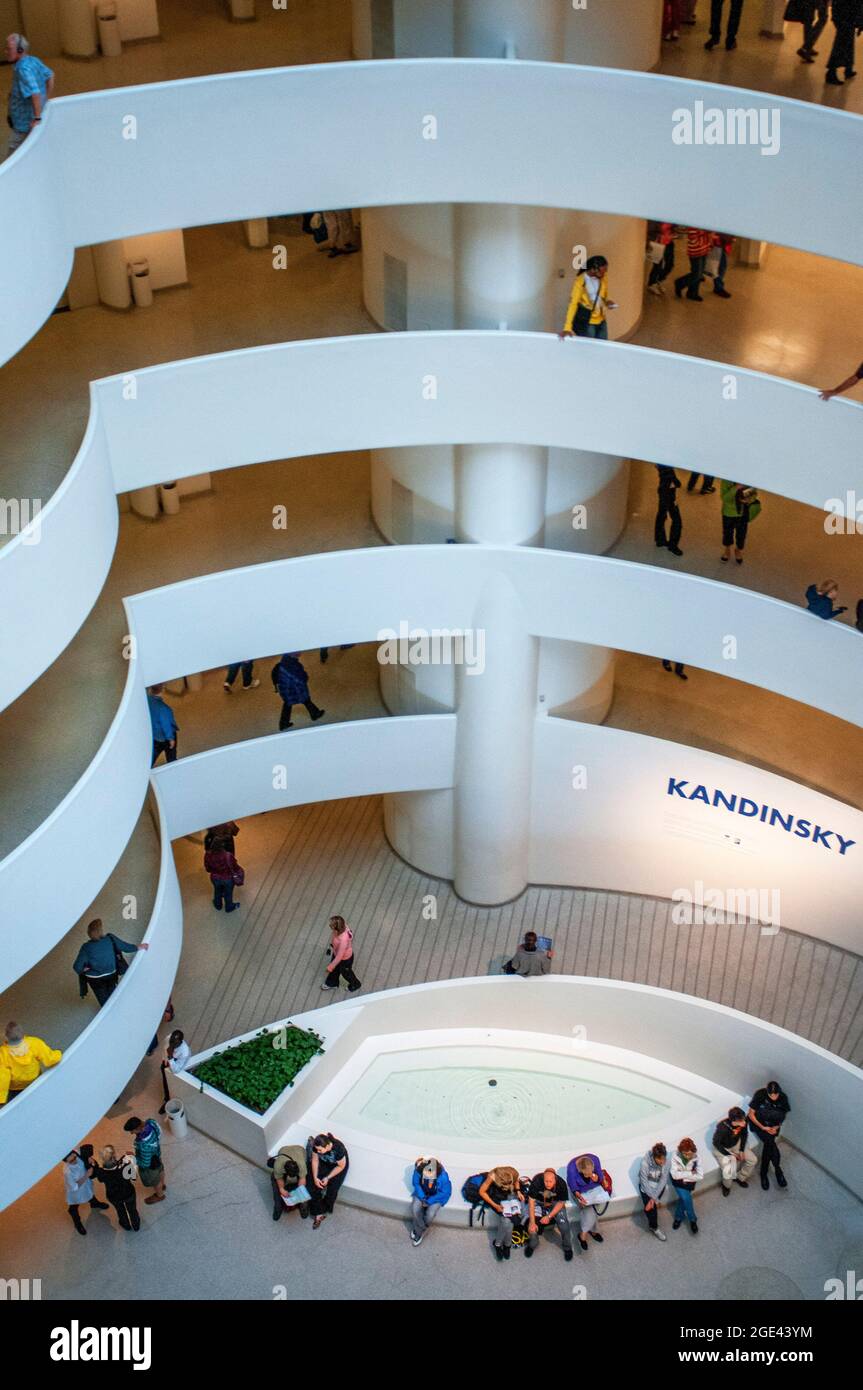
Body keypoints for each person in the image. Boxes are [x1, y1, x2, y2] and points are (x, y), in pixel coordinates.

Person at [72, 918, 150, 1008]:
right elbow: (126, 947)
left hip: (95, 979)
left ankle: (107, 1012)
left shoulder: (86, 947)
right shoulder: (110, 938)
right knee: (113, 994)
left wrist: (85, 969)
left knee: (103, 1000)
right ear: (100, 930)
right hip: (111, 974)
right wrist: (139, 947)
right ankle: (116, 1008)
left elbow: (77, 967)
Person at [4, 33, 53, 158]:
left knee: (12, 157)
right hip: (24, 120)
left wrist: (36, 118)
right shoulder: (33, 60)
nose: (6, 51)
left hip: (23, 124)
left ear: (20, 50)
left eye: (9, 49)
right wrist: (45, 100)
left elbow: (34, 92)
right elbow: (50, 75)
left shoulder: (23, 70)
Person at [0, 1021, 61, 1104]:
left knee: (18, 1104)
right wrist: (58, 1054)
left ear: (5, 1037)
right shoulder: (34, 1043)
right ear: (23, 1033)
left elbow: (3, 1076)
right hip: (35, 1078)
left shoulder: (3, 1053)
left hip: (16, 1087)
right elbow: (49, 1059)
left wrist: (1, 1097)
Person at [561, 254, 617, 339]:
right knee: (589, 348)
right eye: (603, 271)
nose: (605, 273)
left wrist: (607, 301)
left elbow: (602, 295)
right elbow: (573, 304)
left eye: (606, 270)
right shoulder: (580, 281)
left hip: (601, 319)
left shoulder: (603, 278)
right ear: (593, 269)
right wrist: (567, 327)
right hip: (588, 321)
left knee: (603, 346)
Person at [747, 1079, 791, 1190]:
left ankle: (764, 1174)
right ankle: (778, 1170)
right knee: (770, 1142)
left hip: (773, 1126)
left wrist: (776, 1127)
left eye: (775, 1095)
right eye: (771, 1095)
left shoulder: (783, 1098)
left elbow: (783, 1115)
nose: (773, 1097)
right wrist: (763, 1128)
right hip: (759, 1125)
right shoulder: (760, 1095)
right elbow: (751, 1114)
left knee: (768, 1145)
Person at [525, 1167, 573, 1262]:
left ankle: (567, 1248)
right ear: (543, 1178)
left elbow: (561, 1203)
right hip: (539, 1202)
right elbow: (531, 1202)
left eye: (550, 1181)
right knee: (531, 1228)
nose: (548, 1184)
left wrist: (549, 1216)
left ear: (555, 1179)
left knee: (564, 1226)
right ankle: (533, 1244)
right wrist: (532, 1222)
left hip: (555, 1203)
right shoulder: (537, 1182)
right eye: (546, 1181)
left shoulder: (561, 1184)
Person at [90, 1145, 141, 1231]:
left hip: (113, 1196)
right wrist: (132, 1159)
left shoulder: (101, 1172)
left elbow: (100, 1179)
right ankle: (136, 1225)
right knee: (132, 1209)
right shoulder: (125, 1165)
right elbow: (133, 1177)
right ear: (114, 1156)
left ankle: (125, 1224)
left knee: (120, 1210)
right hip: (128, 1192)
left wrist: (94, 1165)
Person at [479, 1166, 524, 1261]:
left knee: (509, 1221)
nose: (506, 1188)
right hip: (497, 1197)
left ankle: (498, 1244)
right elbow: (482, 1191)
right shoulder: (492, 1175)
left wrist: (518, 1191)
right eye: (504, 1186)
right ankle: (506, 1245)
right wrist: (495, 1205)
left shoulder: (513, 1172)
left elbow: (516, 1181)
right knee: (507, 1221)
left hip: (510, 1195)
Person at [273, 652, 325, 730]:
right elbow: (300, 679)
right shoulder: (291, 666)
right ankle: (315, 714)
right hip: (293, 690)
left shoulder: (285, 660)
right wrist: (305, 676)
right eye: (298, 652)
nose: (300, 653)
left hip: (285, 689)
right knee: (306, 700)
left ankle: (283, 724)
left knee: (288, 704)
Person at [63, 1149, 109, 1235]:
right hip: (76, 1192)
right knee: (74, 1206)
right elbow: (74, 1187)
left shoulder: (77, 1156)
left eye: (75, 1157)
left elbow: (84, 1157)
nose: (75, 1160)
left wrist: (90, 1159)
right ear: (66, 1161)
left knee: (89, 1193)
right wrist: (87, 1175)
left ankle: (94, 1203)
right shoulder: (68, 1172)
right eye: (72, 1160)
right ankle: (77, 1223)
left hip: (86, 1184)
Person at [712, 1106, 757, 1195]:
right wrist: (730, 1155)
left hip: (736, 1144)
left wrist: (741, 1150)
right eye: (741, 1121)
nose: (744, 1123)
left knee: (753, 1160)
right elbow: (716, 1143)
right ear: (734, 1121)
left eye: (744, 1120)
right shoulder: (722, 1128)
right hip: (723, 1148)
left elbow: (744, 1134)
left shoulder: (743, 1121)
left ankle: (740, 1177)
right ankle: (726, 1186)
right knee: (728, 1170)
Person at [308, 1133, 349, 1228]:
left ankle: (325, 1207)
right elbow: (315, 1161)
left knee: (333, 1190)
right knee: (312, 1185)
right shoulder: (316, 1147)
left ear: (327, 1146)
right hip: (325, 1161)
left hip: (338, 1165)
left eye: (320, 1150)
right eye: (316, 1149)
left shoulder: (339, 1149)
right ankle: (318, 1213)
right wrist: (315, 1178)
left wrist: (327, 1177)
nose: (317, 1151)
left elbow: (341, 1166)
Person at [566, 1154, 607, 1249]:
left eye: (590, 1173)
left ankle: (588, 1232)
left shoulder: (595, 1159)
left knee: (592, 1210)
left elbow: (600, 1177)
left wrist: (596, 1177)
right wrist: (579, 1197)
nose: (588, 1176)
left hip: (594, 1189)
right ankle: (584, 1234)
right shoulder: (572, 1168)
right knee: (589, 1211)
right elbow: (573, 1187)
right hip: (580, 1192)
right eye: (585, 1174)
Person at [123, 1116, 166, 1204]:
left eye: (132, 1130)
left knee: (155, 1181)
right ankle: (163, 1185)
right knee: (161, 1169)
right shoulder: (151, 1122)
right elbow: (159, 1133)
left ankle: (160, 1195)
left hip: (151, 1164)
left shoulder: (143, 1145)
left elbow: (145, 1163)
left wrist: (133, 1157)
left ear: (138, 1128)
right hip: (157, 1154)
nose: (131, 1133)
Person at [410, 1157, 452, 1246]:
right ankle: (420, 1231)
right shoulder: (418, 1170)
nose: (428, 1176)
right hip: (422, 1193)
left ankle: (418, 1230)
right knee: (414, 1209)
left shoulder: (443, 1176)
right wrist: (423, 1197)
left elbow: (445, 1192)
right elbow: (416, 1183)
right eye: (426, 1174)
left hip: (437, 1196)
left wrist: (429, 1201)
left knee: (430, 1214)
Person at [720, 481, 759, 564]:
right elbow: (725, 498)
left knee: (742, 534)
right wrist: (736, 488)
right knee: (727, 533)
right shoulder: (726, 480)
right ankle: (727, 549)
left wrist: (749, 500)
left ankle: (738, 550)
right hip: (729, 513)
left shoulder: (748, 478)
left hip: (743, 513)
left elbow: (754, 493)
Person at [269, 1144, 310, 1221]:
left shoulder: (301, 1164)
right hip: (284, 1150)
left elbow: (302, 1178)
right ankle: (278, 1208)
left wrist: (299, 1192)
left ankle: (304, 1207)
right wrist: (281, 1189)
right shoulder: (278, 1165)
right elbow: (279, 1178)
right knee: (275, 1186)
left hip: (299, 1150)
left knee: (304, 1188)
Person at [639, 1142, 670, 1240]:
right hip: (646, 1188)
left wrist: (652, 1200)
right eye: (659, 1159)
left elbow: (663, 1181)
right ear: (654, 1157)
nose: (662, 1161)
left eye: (664, 1158)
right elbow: (644, 1182)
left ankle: (652, 1224)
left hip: (658, 1187)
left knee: (651, 1207)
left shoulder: (666, 1162)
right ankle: (654, 1228)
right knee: (652, 1211)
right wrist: (654, 1199)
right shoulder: (645, 1163)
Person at [321, 915, 361, 992]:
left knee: (346, 973)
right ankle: (332, 983)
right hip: (336, 953)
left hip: (345, 959)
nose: (330, 926)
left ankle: (355, 984)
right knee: (335, 970)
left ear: (337, 928)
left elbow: (339, 956)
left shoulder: (343, 940)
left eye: (331, 925)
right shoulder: (342, 927)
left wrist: (330, 966)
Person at [670, 1138, 703, 1232]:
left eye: (689, 1154)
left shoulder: (697, 1158)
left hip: (688, 1181)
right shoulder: (675, 1156)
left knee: (683, 1199)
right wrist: (690, 1173)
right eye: (684, 1153)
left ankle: (678, 1217)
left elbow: (700, 1175)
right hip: (678, 1181)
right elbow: (674, 1175)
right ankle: (693, 1220)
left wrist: (684, 1176)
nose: (687, 1156)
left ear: (693, 1151)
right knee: (685, 1198)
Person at [204, 835, 242, 914]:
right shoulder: (228, 856)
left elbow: (207, 869)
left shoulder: (207, 855)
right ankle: (229, 907)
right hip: (227, 879)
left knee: (217, 891)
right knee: (228, 893)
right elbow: (234, 867)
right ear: (223, 845)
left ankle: (218, 905)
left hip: (215, 878)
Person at [825, 0, 859, 83]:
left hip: (844, 14)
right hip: (846, 15)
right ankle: (831, 72)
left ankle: (848, 68)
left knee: (847, 42)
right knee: (841, 43)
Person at [675, 227, 712, 301]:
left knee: (699, 273)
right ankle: (679, 283)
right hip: (696, 250)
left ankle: (692, 293)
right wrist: (705, 232)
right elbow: (692, 237)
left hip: (704, 248)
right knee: (696, 274)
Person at [159, 1030, 191, 1115]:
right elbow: (163, 1050)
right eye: (171, 1041)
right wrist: (165, 1060)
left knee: (173, 1086)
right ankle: (167, 1100)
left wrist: (170, 1057)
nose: (171, 1044)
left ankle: (173, 1103)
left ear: (180, 1042)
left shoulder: (184, 1052)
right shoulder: (168, 1038)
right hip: (167, 1063)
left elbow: (176, 1070)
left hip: (177, 1069)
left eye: (174, 1043)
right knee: (165, 1083)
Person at [655, 465, 684, 557]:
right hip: (668, 493)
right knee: (677, 520)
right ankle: (672, 545)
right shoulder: (665, 462)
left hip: (665, 491)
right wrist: (677, 482)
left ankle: (660, 540)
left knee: (662, 516)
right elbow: (668, 474)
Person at [147, 684, 178, 766]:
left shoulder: (147, 700)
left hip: (154, 734)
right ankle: (172, 765)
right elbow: (166, 725)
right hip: (164, 737)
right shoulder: (163, 708)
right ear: (163, 689)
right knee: (171, 755)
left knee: (152, 755)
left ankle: (146, 767)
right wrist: (170, 738)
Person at [647, 222, 677, 296]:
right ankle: (651, 284)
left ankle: (658, 281)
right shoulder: (655, 219)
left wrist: (673, 231)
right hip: (658, 243)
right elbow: (650, 231)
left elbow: (674, 227)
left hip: (669, 243)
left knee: (670, 265)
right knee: (657, 266)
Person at [709, 233, 734, 299]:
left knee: (722, 267)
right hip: (717, 244)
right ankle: (719, 288)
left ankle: (718, 287)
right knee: (715, 268)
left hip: (724, 244)